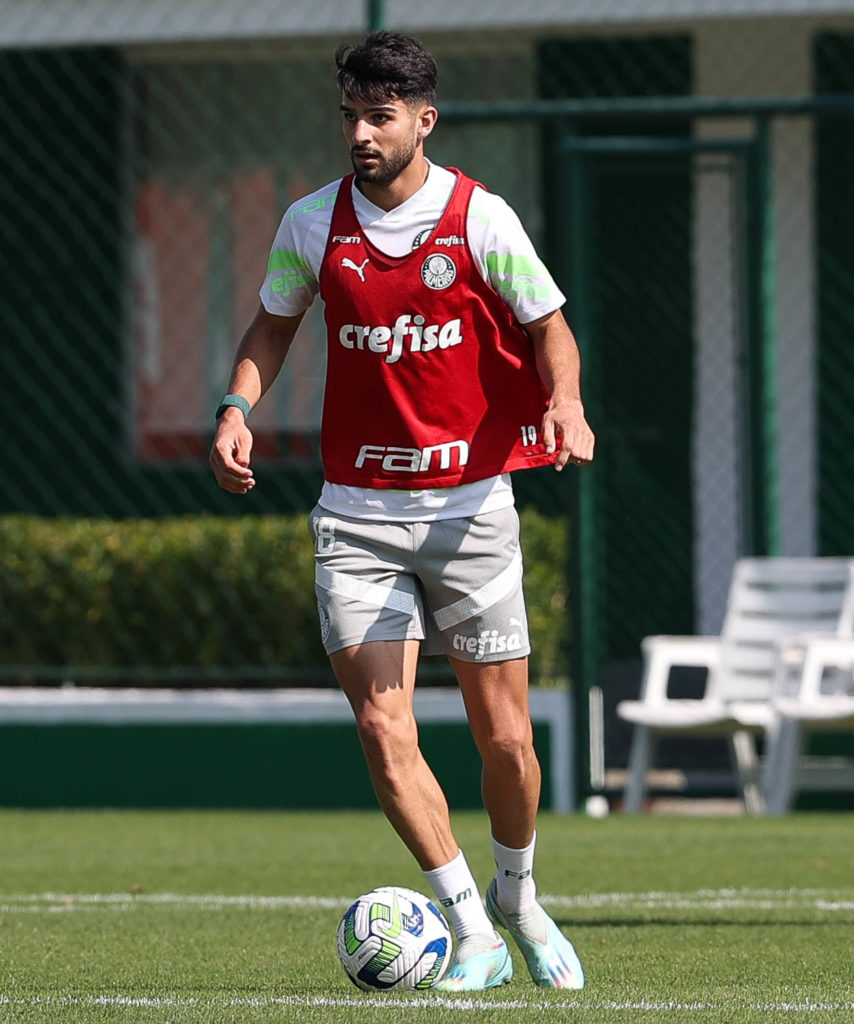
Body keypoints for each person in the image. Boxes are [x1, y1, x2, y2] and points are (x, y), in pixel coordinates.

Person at [210, 30, 595, 992]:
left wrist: (566, 402)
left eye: (379, 117)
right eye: (350, 116)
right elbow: (272, 323)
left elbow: (549, 327)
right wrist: (236, 407)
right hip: (358, 513)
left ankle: (518, 896)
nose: (361, 134)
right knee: (385, 729)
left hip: (472, 507)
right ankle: (470, 931)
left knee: (505, 740)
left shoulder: (480, 218)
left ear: (425, 120)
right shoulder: (311, 223)